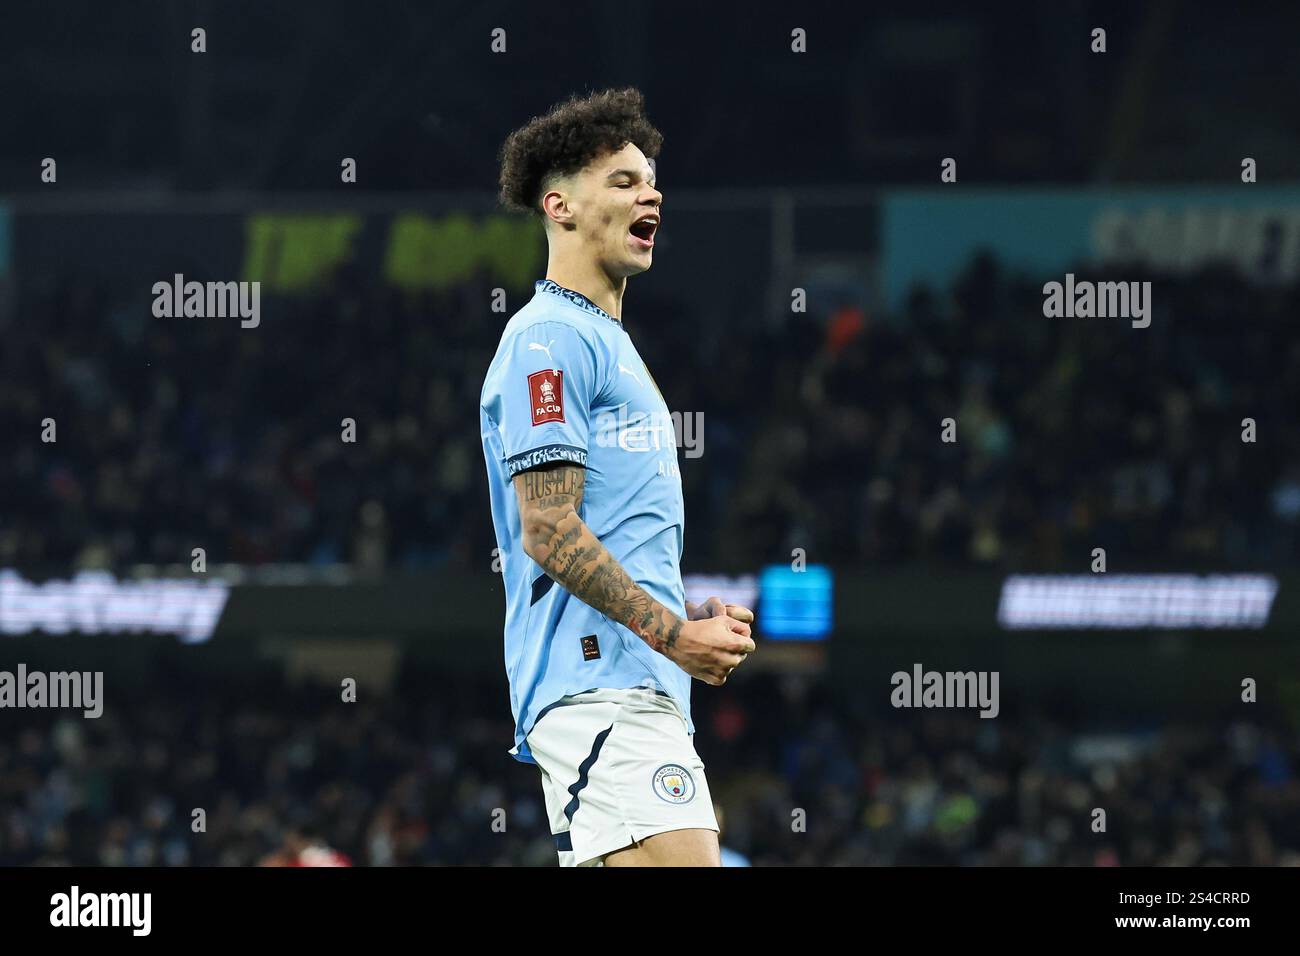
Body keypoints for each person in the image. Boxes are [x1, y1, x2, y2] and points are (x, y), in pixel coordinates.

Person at [480, 87, 756, 867]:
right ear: (559, 205)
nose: (652, 193)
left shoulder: (605, 341)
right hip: (603, 686)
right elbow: (548, 527)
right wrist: (674, 635)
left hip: (625, 685)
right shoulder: (550, 338)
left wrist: (676, 606)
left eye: (653, 180)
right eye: (625, 181)